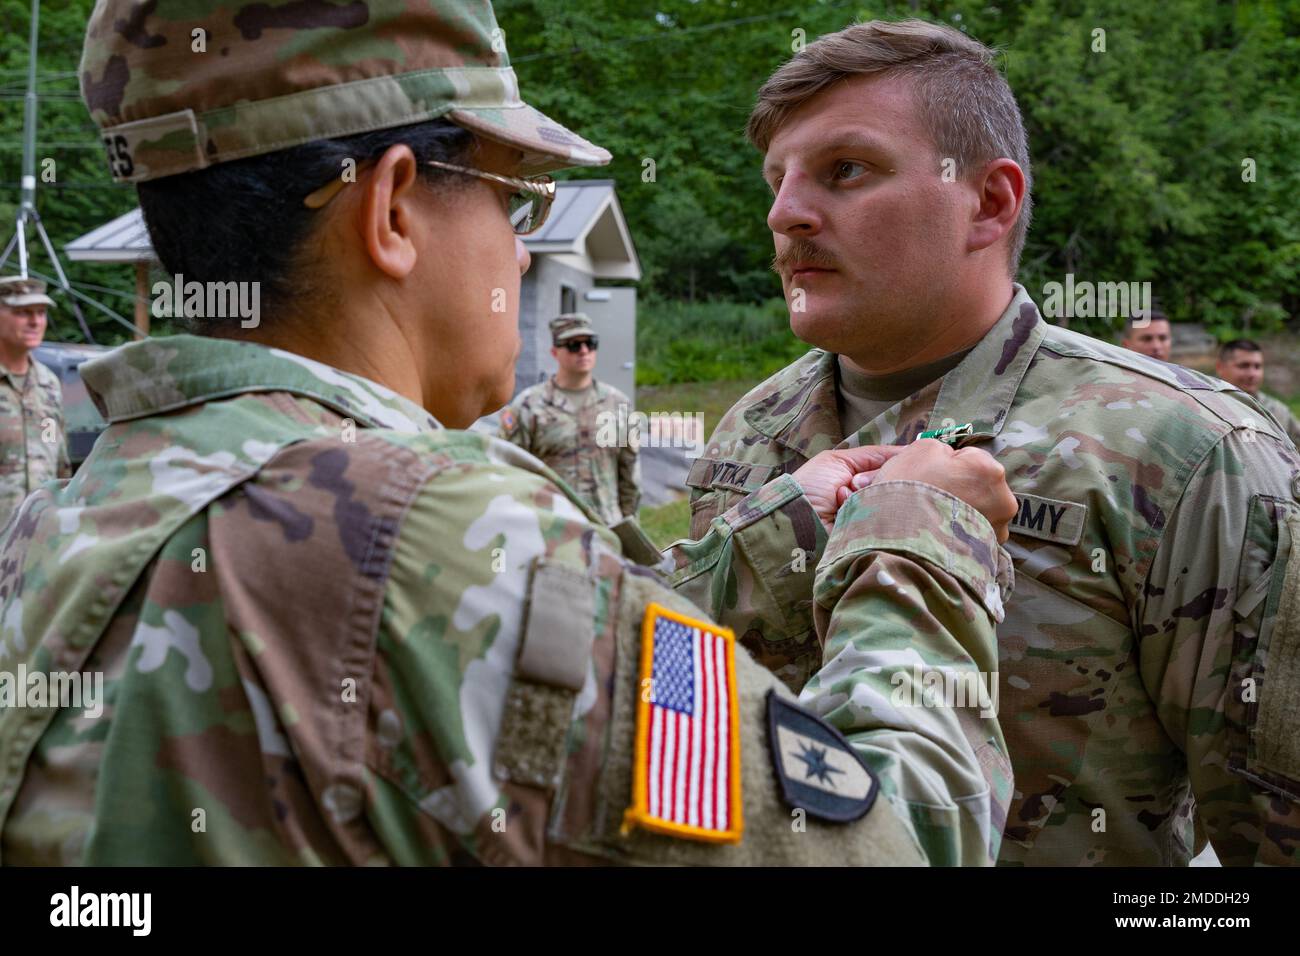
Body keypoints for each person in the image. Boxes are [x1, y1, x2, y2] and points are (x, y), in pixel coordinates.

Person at [0, 0, 1018, 867]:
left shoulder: (64, 524)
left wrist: (780, 528)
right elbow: (890, 847)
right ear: (393, 208)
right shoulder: (443, 531)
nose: (520, 260)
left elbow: (550, 652)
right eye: (515, 205)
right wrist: (920, 543)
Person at [672, 18, 1300, 866]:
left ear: (990, 203)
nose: (785, 215)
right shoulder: (754, 428)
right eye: (776, 181)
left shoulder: (1191, 452)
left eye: (845, 170)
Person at [499, 314, 640, 524]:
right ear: (555, 352)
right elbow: (510, 473)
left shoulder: (618, 404)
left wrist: (630, 528)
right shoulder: (529, 406)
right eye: (574, 345)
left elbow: (629, 474)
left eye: (590, 344)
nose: (584, 351)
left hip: (606, 528)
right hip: (550, 528)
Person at [0, 276, 69, 528]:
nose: (35, 322)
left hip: (39, 538)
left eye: (41, 313)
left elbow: (59, 460)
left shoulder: (48, 383)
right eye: (23, 312)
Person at [1215, 339, 1300, 445]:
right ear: (1220, 367)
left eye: (1257, 366)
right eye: (1244, 366)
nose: (1252, 374)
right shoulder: (1206, 407)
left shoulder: (1277, 411)